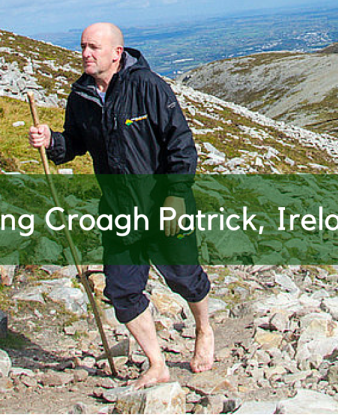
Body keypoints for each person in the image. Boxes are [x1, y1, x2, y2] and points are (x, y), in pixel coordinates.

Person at [29, 23, 213, 388]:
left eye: (94, 47)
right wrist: (51, 141)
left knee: (183, 277)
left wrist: (176, 196)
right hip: (118, 210)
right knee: (122, 291)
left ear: (117, 53)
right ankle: (156, 363)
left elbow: (181, 145)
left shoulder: (149, 87)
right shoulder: (80, 95)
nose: (85, 53)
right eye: (83, 46)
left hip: (164, 204)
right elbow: (74, 145)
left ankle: (204, 330)